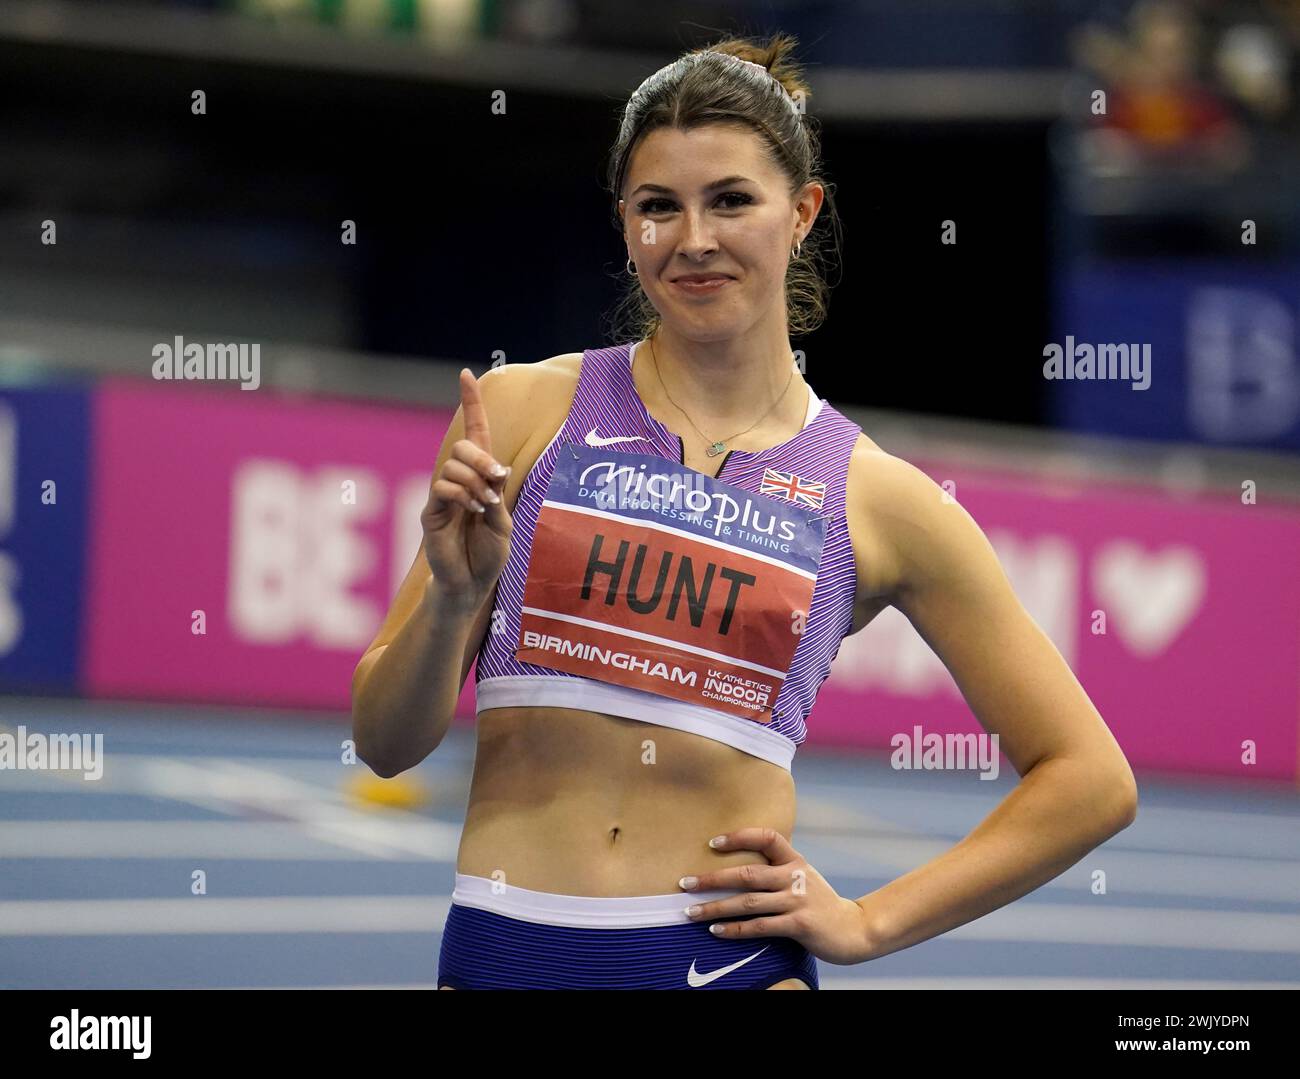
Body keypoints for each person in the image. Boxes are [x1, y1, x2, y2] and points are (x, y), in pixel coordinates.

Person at [350, 34, 1138, 990]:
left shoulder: (879, 497)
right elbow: (386, 746)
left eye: (731, 200)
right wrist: (449, 597)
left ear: (802, 211)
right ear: (624, 224)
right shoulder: (520, 414)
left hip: (726, 967)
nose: (695, 240)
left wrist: (869, 921)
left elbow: (1090, 778)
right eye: (658, 208)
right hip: (507, 945)